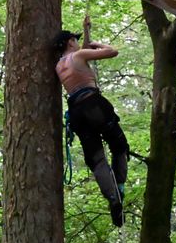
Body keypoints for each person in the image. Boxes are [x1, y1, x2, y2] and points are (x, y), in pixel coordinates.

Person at [53, 28, 129, 227]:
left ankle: (113, 198)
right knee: (119, 145)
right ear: (70, 42)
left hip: (77, 112)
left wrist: (86, 31)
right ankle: (119, 186)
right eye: (75, 41)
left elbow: (82, 53)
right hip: (94, 104)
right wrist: (97, 44)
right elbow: (112, 52)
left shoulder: (59, 65)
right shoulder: (79, 55)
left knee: (96, 159)